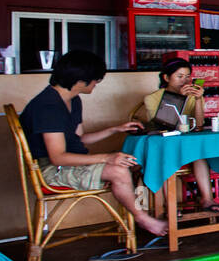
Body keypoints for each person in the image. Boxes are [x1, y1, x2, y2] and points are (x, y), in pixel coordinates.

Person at [19, 50, 168, 238]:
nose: (97, 83)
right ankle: (143, 219)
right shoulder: (48, 107)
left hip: (68, 164)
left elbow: (79, 139)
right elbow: (58, 157)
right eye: (96, 79)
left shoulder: (72, 100)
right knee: (118, 171)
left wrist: (115, 129)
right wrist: (107, 158)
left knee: (136, 162)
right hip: (51, 170)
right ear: (81, 80)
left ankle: (140, 211)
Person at [138, 58, 217, 212]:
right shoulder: (151, 98)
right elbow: (164, 125)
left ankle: (207, 200)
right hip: (163, 146)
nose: (185, 81)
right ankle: (170, 206)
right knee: (165, 159)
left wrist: (198, 99)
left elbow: (198, 125)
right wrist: (179, 99)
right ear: (166, 78)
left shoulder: (192, 96)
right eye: (179, 76)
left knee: (199, 155)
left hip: (186, 145)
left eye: (187, 76)